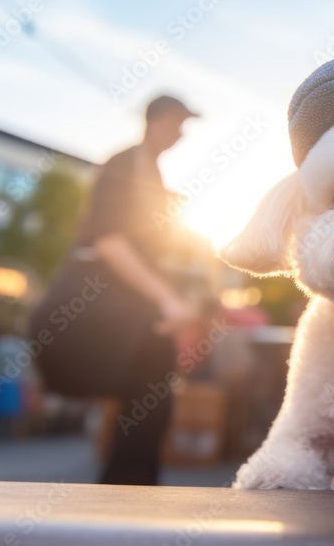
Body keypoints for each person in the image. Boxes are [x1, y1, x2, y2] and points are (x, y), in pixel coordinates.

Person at [29, 96, 201, 485]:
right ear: (156, 120)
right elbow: (110, 242)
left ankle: (127, 496)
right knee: (151, 389)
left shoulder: (151, 173)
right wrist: (168, 299)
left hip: (120, 309)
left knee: (152, 392)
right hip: (86, 307)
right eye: (177, 122)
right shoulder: (126, 164)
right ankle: (127, 496)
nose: (181, 133)